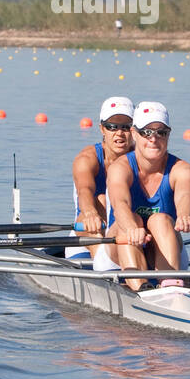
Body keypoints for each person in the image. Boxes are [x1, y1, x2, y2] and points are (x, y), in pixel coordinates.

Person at [105, 101, 190, 291]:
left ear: (168, 135)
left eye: (160, 132)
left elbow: (185, 196)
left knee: (161, 219)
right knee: (133, 220)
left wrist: (185, 215)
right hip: (118, 250)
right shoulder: (119, 168)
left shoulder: (182, 170)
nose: (153, 139)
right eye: (146, 132)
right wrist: (131, 228)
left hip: (164, 247)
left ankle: (170, 287)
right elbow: (120, 203)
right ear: (134, 134)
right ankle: (141, 289)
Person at [66, 96, 135, 261]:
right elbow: (84, 191)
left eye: (126, 127)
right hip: (90, 232)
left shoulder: (144, 158)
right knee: (103, 200)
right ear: (102, 129)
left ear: (135, 130)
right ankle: (103, 267)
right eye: (112, 127)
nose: (119, 133)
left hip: (129, 231)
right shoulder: (87, 159)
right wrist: (90, 213)